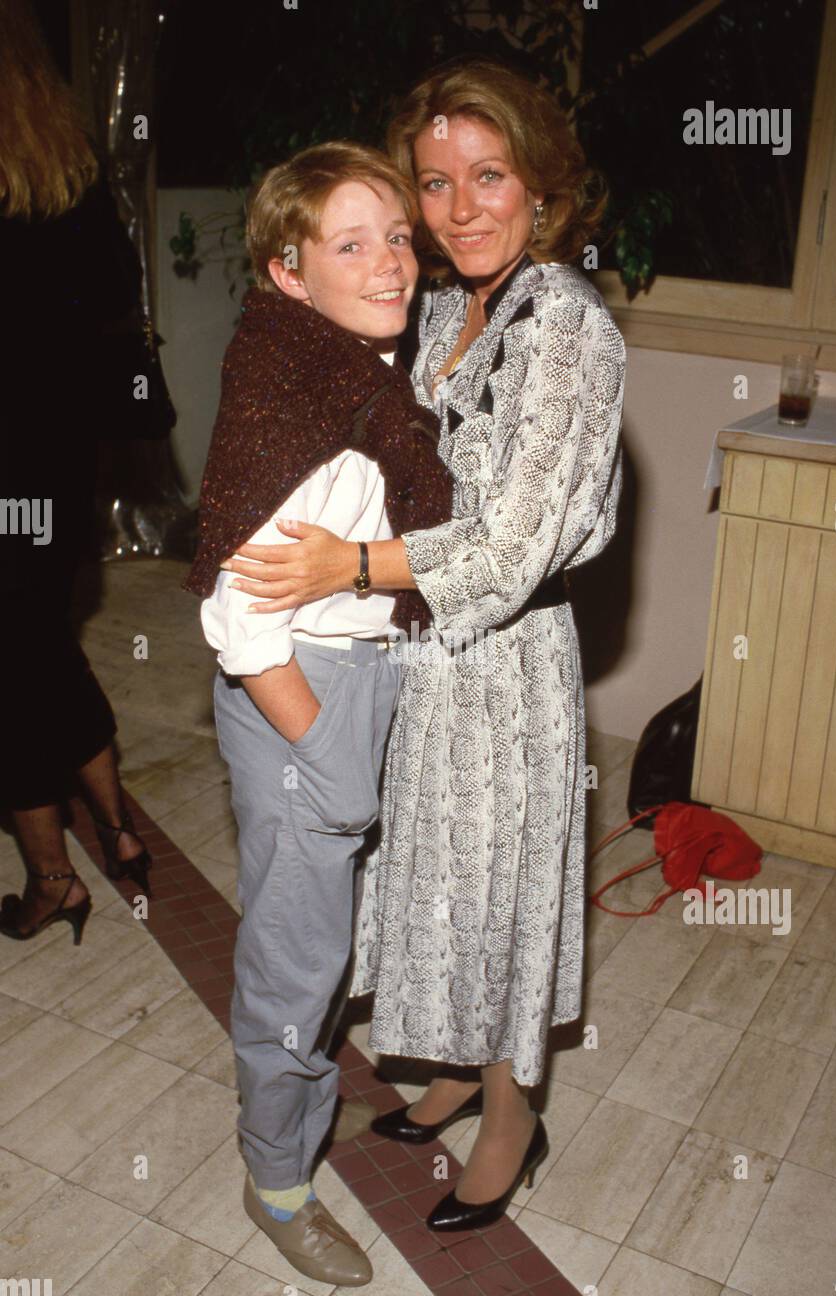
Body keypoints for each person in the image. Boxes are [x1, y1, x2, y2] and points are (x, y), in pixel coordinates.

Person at [222, 58, 626, 1233]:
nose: (459, 209)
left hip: (503, 669)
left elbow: (505, 547)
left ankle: (510, 1114)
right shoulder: (443, 304)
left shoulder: (569, 328)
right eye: (434, 184)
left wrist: (343, 569)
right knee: (426, 885)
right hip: (409, 659)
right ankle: (449, 1073)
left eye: (487, 176)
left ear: (540, 185)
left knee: (500, 899)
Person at [183, 143, 451, 1284]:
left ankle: (291, 1130)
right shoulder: (296, 397)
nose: (390, 261)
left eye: (395, 234)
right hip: (299, 689)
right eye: (351, 244)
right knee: (297, 964)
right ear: (289, 271)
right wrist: (328, 753)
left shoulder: (350, 368)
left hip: (353, 669)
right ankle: (278, 1182)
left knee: (321, 940)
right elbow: (237, 616)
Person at [0, 0, 154, 944]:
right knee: (44, 646)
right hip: (56, 461)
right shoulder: (74, 177)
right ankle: (121, 833)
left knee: (11, 672)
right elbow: (111, 307)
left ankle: (53, 879)